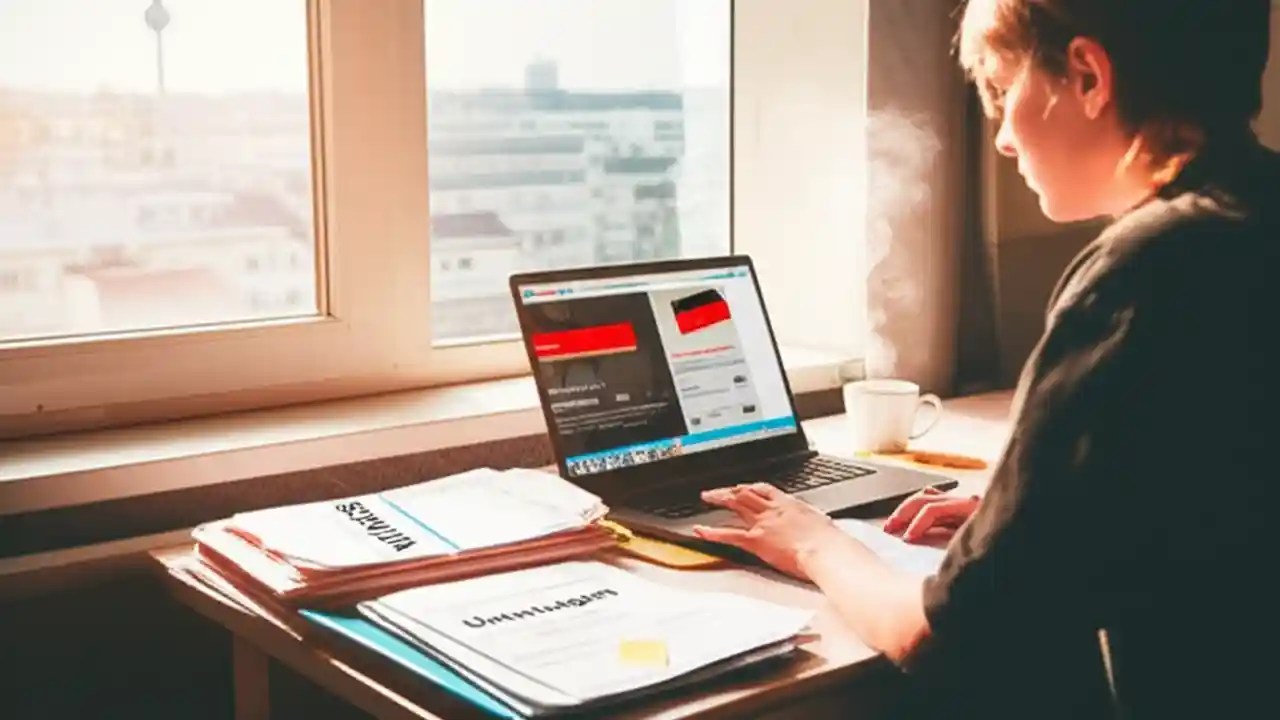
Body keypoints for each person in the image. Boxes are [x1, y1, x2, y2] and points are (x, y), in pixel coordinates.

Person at [694, 1, 1279, 717]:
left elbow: (942, 638)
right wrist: (1041, 509)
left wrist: (814, 543)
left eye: (1002, 92)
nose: (1001, 138)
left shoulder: (1149, 270)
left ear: (1088, 77)